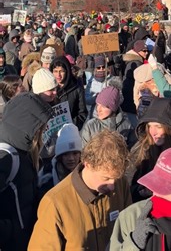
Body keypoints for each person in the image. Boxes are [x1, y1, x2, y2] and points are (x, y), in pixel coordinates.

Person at [28, 129, 132, 250]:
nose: (113, 186)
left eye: (116, 178)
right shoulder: (54, 203)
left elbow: (128, 229)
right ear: (88, 164)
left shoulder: (121, 183)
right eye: (106, 178)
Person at [0, 92, 53, 251]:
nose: (44, 133)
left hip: (28, 238)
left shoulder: (22, 150)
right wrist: (10, 230)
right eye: (41, 129)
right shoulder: (6, 156)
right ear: (30, 126)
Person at [38, 123, 82, 195]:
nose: (71, 158)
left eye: (75, 153)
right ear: (60, 156)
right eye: (66, 154)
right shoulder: (48, 178)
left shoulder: (88, 172)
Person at [51, 55, 87, 130]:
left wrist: (70, 125)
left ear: (67, 71)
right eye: (55, 71)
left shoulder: (76, 89)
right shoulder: (49, 89)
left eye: (61, 71)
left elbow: (82, 113)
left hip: (70, 131)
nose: (58, 75)